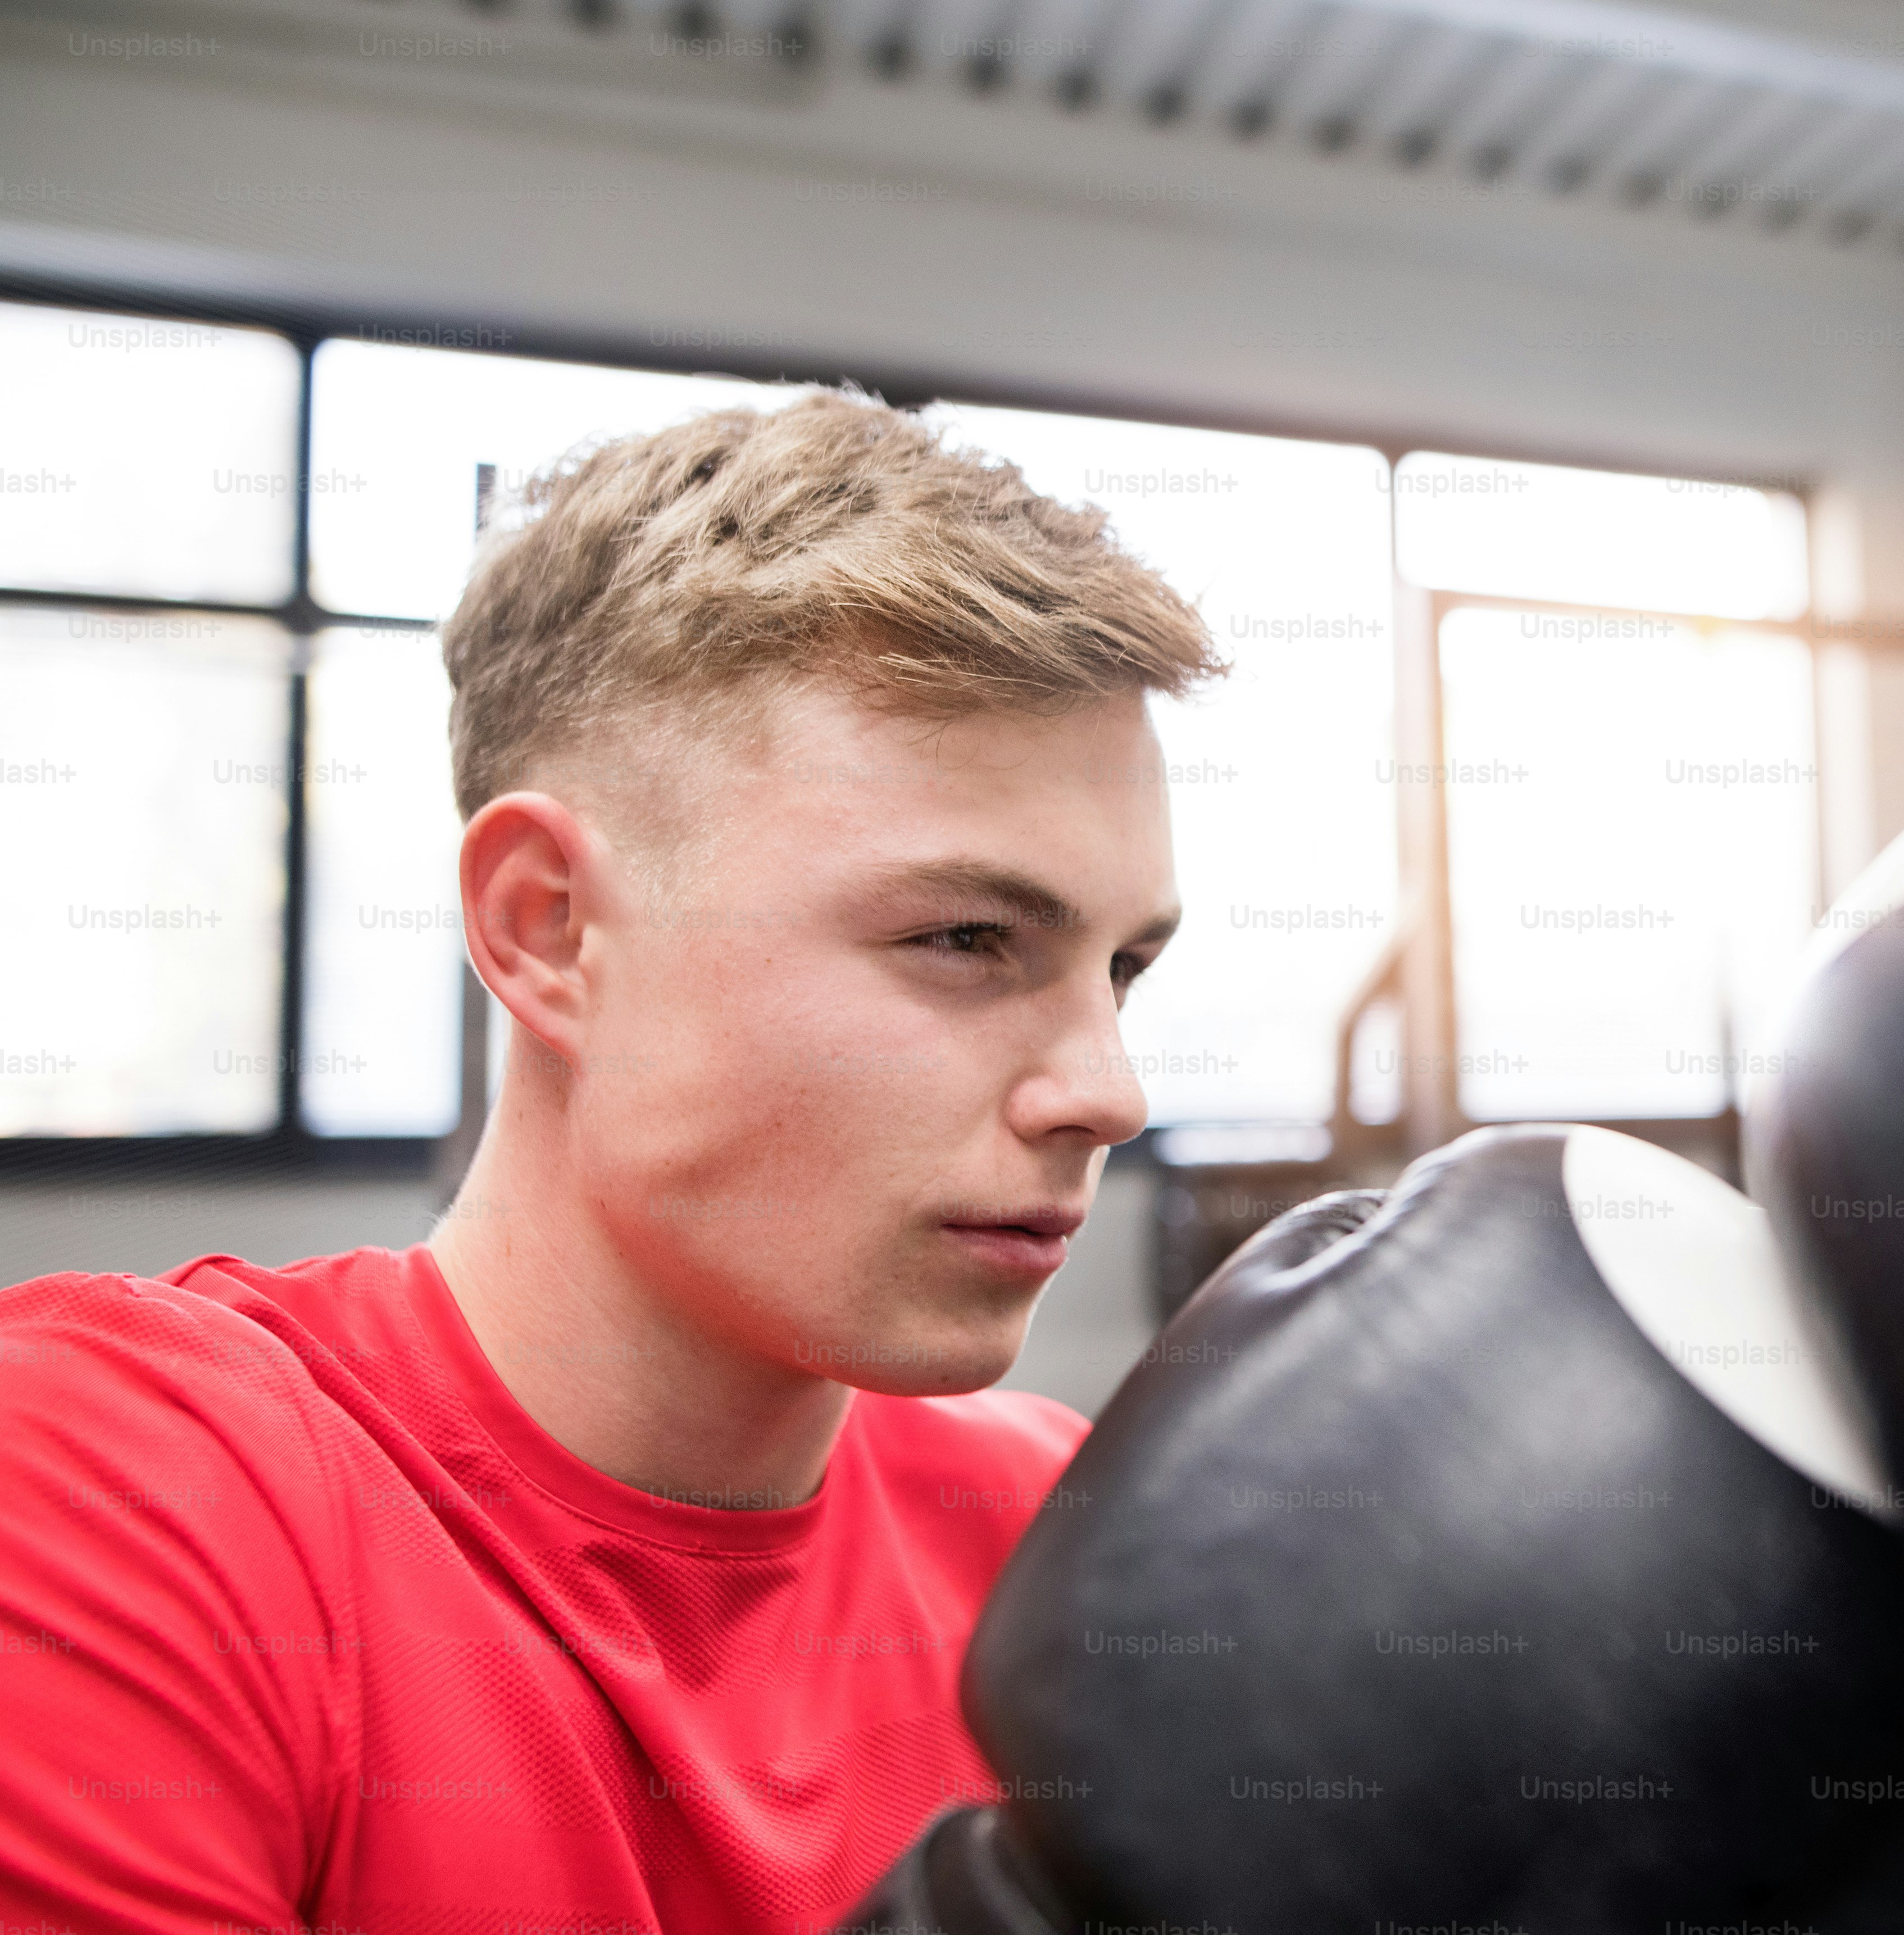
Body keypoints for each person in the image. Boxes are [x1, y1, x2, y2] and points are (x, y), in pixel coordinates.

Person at [0, 391, 1216, 1932]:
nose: (1106, 1091)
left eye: (1122, 970)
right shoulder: (124, 1497)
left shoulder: (1065, 1537)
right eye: (967, 938)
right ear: (548, 931)